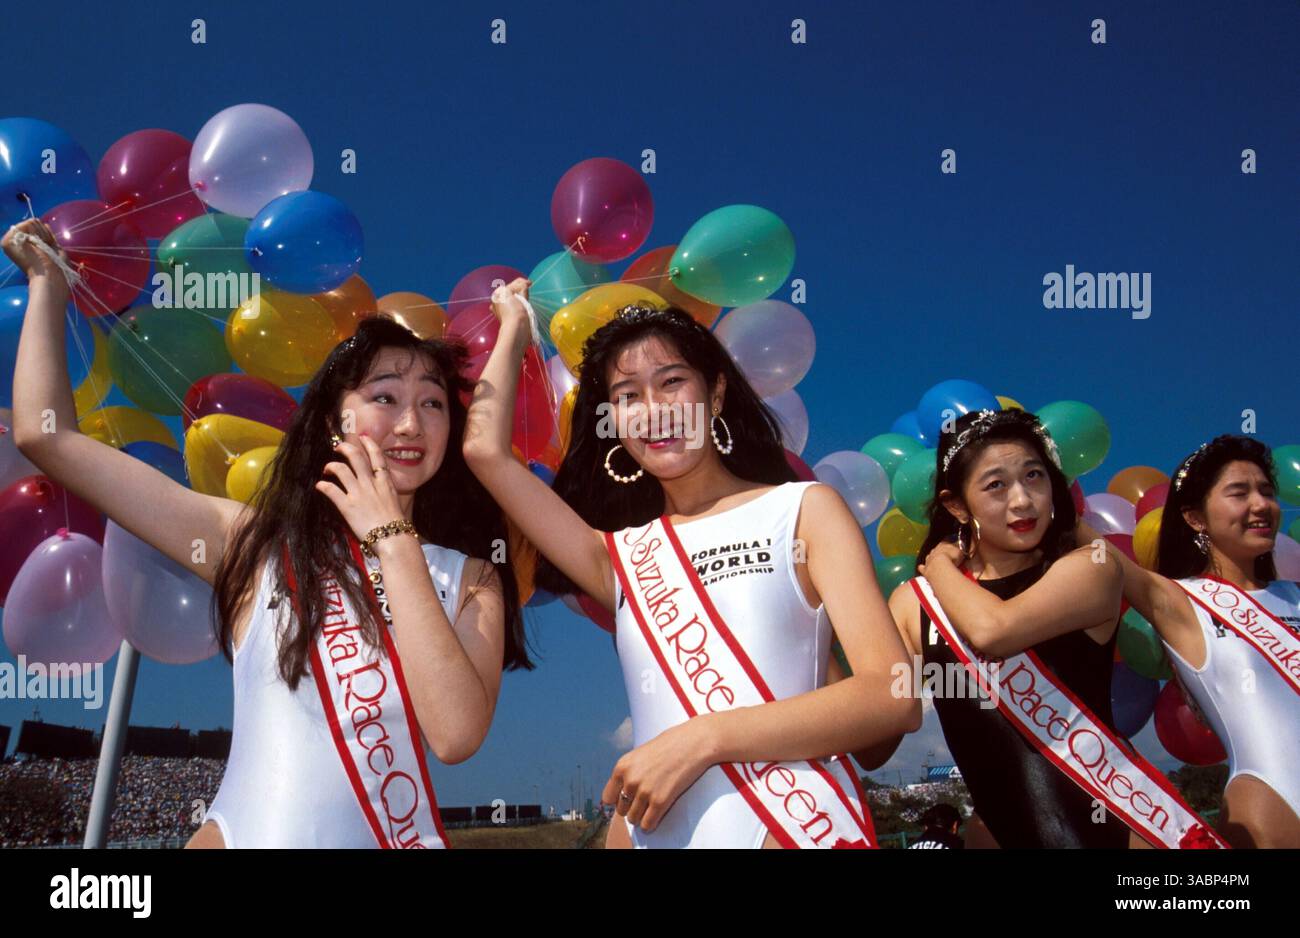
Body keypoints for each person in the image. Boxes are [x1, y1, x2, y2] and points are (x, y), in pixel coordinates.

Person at [4, 218, 530, 848]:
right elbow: (47, 438)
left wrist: (393, 537)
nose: (412, 422)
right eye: (385, 397)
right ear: (336, 420)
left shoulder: (471, 579)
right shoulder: (253, 543)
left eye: (433, 403)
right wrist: (47, 286)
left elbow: (455, 734)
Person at [463, 278, 919, 849]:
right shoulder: (617, 558)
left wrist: (700, 739)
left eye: (672, 382)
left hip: (791, 825)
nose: (653, 411)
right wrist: (512, 325)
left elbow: (892, 696)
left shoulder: (803, 511)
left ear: (717, 393)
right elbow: (484, 451)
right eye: (628, 396)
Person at [866, 408, 1220, 848]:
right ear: (956, 505)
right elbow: (874, 747)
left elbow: (993, 630)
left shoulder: (1092, 568)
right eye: (996, 485)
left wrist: (938, 565)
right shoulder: (912, 606)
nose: (1022, 499)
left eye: (1034, 476)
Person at [1078, 435, 1300, 848]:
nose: (1260, 505)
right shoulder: (1180, 601)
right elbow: (1092, 545)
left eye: (1267, 492)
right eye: (1239, 493)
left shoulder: (1296, 596)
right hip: (1274, 808)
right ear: (1196, 518)